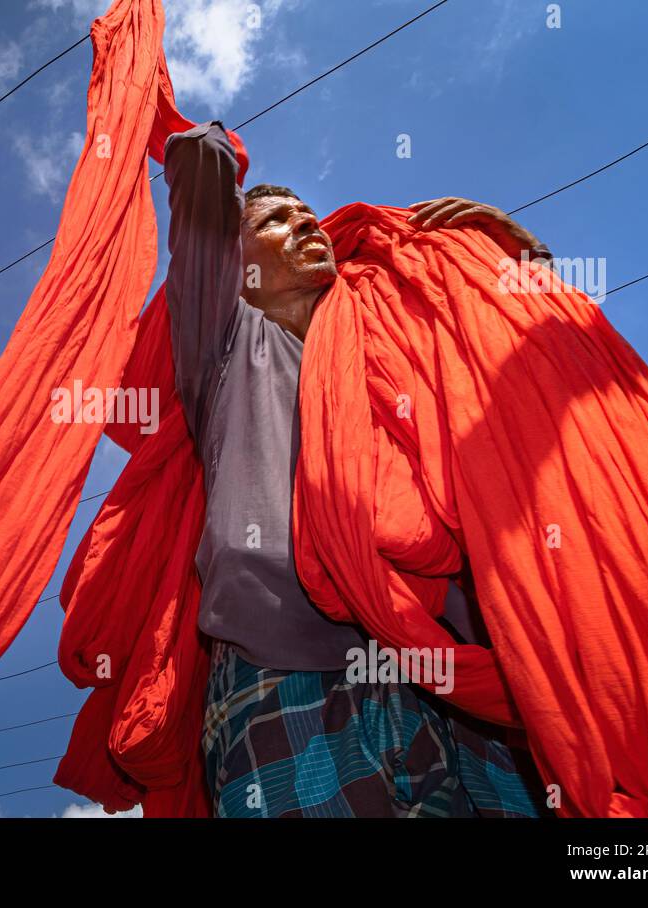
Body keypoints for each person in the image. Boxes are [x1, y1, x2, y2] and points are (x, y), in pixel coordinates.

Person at [164, 120, 551, 818]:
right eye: (277, 221)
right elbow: (200, 175)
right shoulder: (223, 345)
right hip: (287, 668)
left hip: (453, 668)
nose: (306, 224)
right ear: (237, 260)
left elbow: (528, 378)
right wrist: (209, 140)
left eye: (307, 216)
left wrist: (511, 256)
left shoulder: (395, 343)